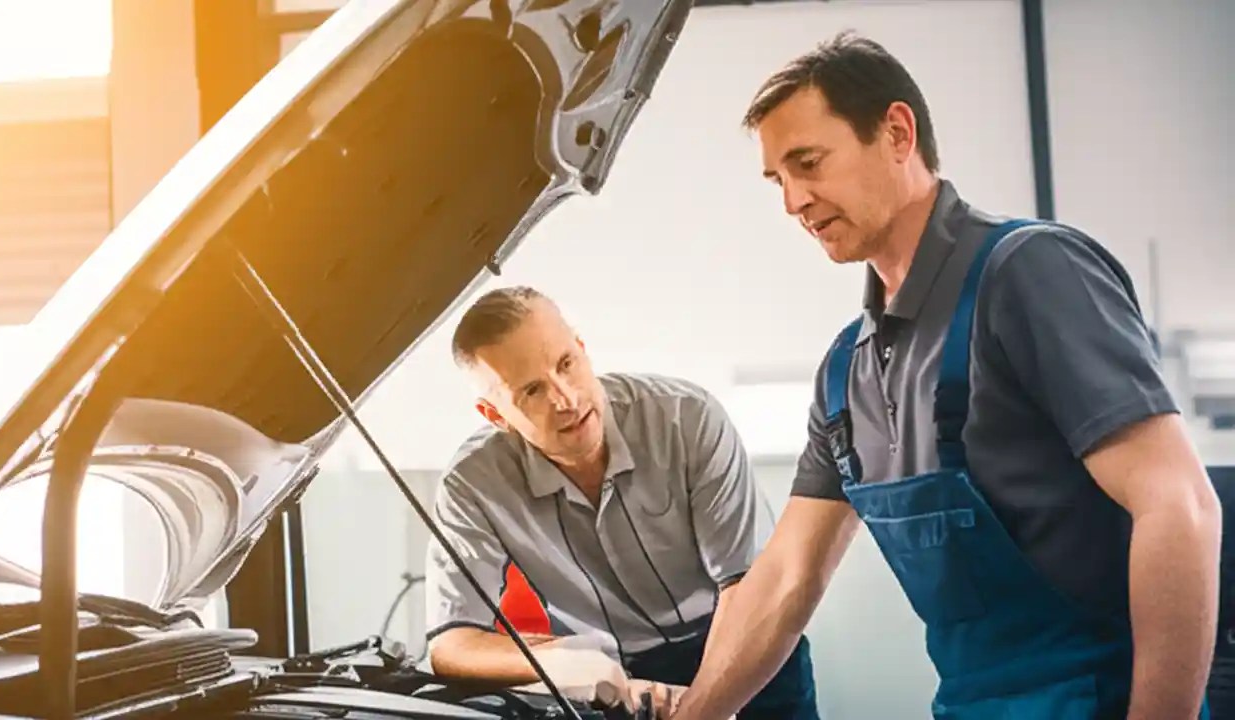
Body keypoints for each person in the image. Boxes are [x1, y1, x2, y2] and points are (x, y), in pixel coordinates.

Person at [671, 32, 1222, 720]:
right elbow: (786, 577)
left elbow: (1180, 505)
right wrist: (695, 713)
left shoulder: (1029, 273)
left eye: (808, 163)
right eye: (776, 180)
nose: (793, 201)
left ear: (897, 134)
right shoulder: (846, 372)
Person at [423, 286, 820, 719]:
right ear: (495, 415)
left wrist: (701, 708)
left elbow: (746, 586)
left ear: (582, 349)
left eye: (566, 364)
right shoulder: (471, 485)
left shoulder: (687, 417)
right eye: (533, 390)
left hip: (746, 636)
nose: (566, 399)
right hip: (616, 679)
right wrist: (560, 661)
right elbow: (452, 644)